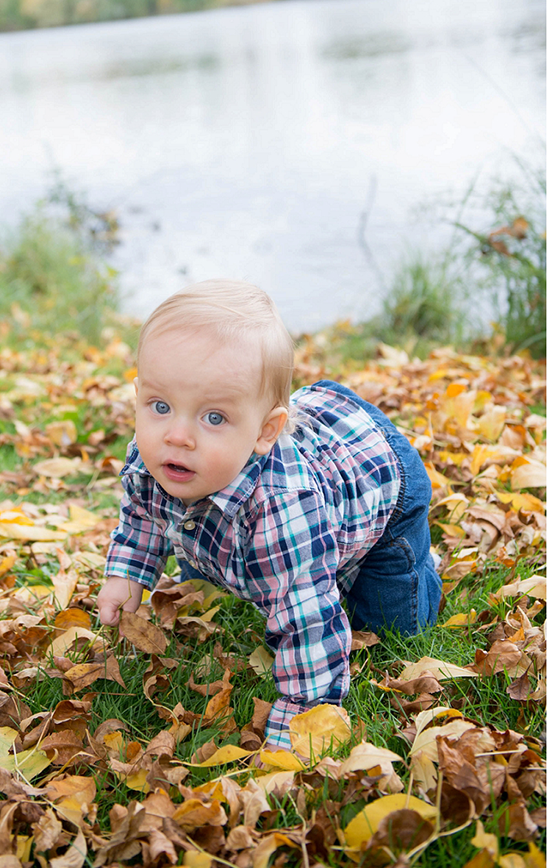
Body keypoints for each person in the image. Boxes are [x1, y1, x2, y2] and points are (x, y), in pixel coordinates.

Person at [97, 280, 441, 750]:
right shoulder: (157, 454)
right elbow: (142, 515)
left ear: (265, 431)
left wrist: (300, 725)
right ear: (138, 397)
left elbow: (308, 627)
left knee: (386, 622)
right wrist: (127, 573)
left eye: (213, 417)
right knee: (214, 545)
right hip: (267, 492)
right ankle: (287, 564)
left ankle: (417, 567)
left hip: (381, 479)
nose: (177, 435)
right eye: (160, 406)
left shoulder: (282, 511)